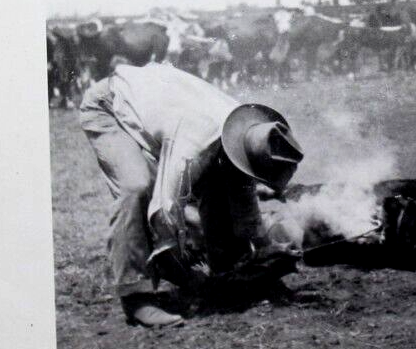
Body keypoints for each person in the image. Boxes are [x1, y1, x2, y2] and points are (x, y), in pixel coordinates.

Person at [77, 62, 305, 328]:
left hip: (151, 95)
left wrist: (264, 252)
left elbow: (243, 198)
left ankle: (230, 270)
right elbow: (164, 210)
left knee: (220, 178)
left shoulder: (242, 129)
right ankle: (136, 298)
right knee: (137, 186)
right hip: (108, 105)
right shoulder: (194, 143)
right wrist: (185, 275)